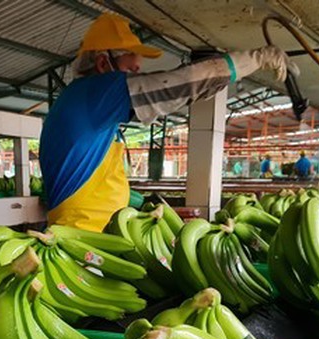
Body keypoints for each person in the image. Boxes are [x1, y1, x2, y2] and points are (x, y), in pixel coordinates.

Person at [39, 13, 294, 231]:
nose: (137, 72)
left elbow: (92, 181)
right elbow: (178, 85)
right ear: (104, 63)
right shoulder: (94, 93)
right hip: (81, 235)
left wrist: (145, 203)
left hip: (100, 228)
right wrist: (256, 59)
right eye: (132, 71)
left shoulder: (89, 107)